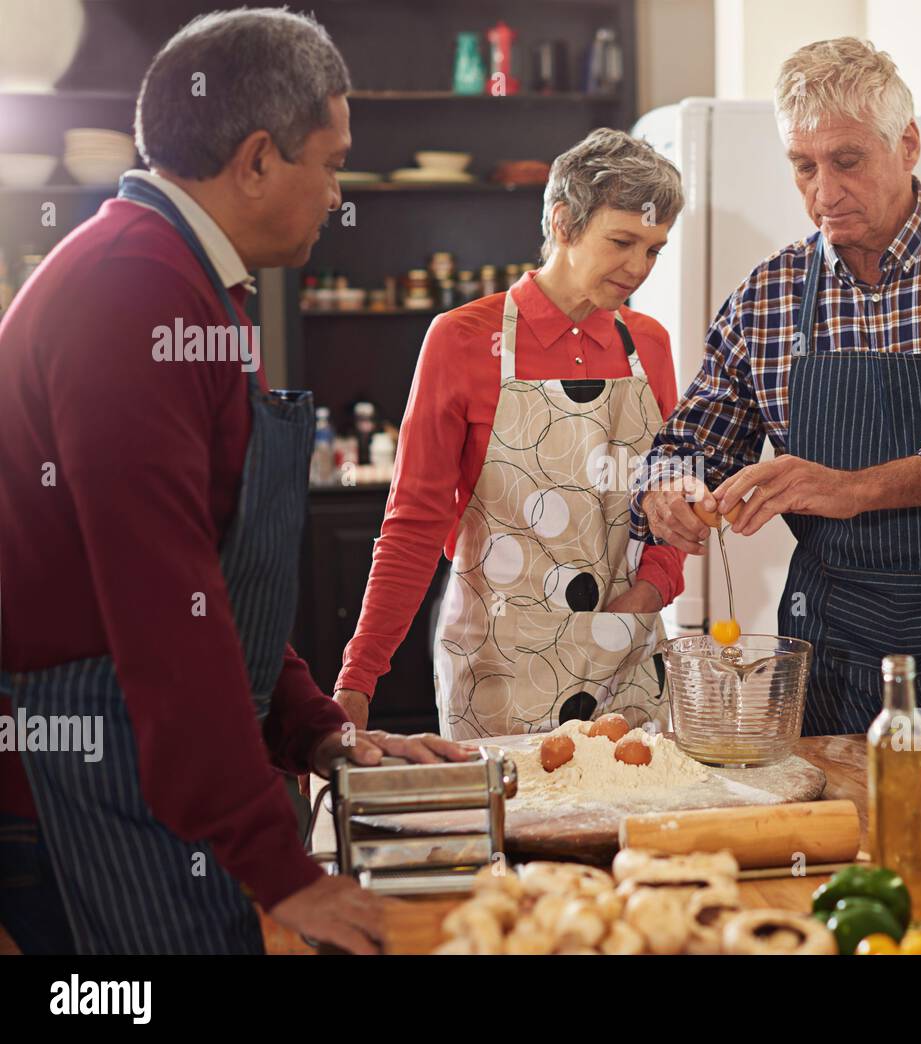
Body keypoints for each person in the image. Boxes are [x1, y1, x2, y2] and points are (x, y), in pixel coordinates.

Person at [0, 9, 466, 956]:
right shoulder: (134, 289)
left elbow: (213, 585)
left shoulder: (189, 280)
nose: (339, 195)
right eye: (330, 164)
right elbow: (163, 603)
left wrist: (317, 729)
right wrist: (282, 868)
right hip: (93, 776)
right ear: (256, 160)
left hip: (152, 762)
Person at [634, 38, 921, 781]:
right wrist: (667, 490)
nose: (823, 190)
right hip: (832, 662)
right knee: (838, 870)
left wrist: (848, 487)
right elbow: (691, 443)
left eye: (847, 160)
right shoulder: (768, 298)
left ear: (907, 145)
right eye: (803, 166)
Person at [334, 129, 686, 740]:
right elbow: (414, 523)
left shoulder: (648, 344)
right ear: (564, 223)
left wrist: (651, 589)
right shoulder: (463, 340)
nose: (639, 269)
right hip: (499, 668)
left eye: (654, 249)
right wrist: (357, 679)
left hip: (625, 658)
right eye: (623, 242)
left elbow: (673, 503)